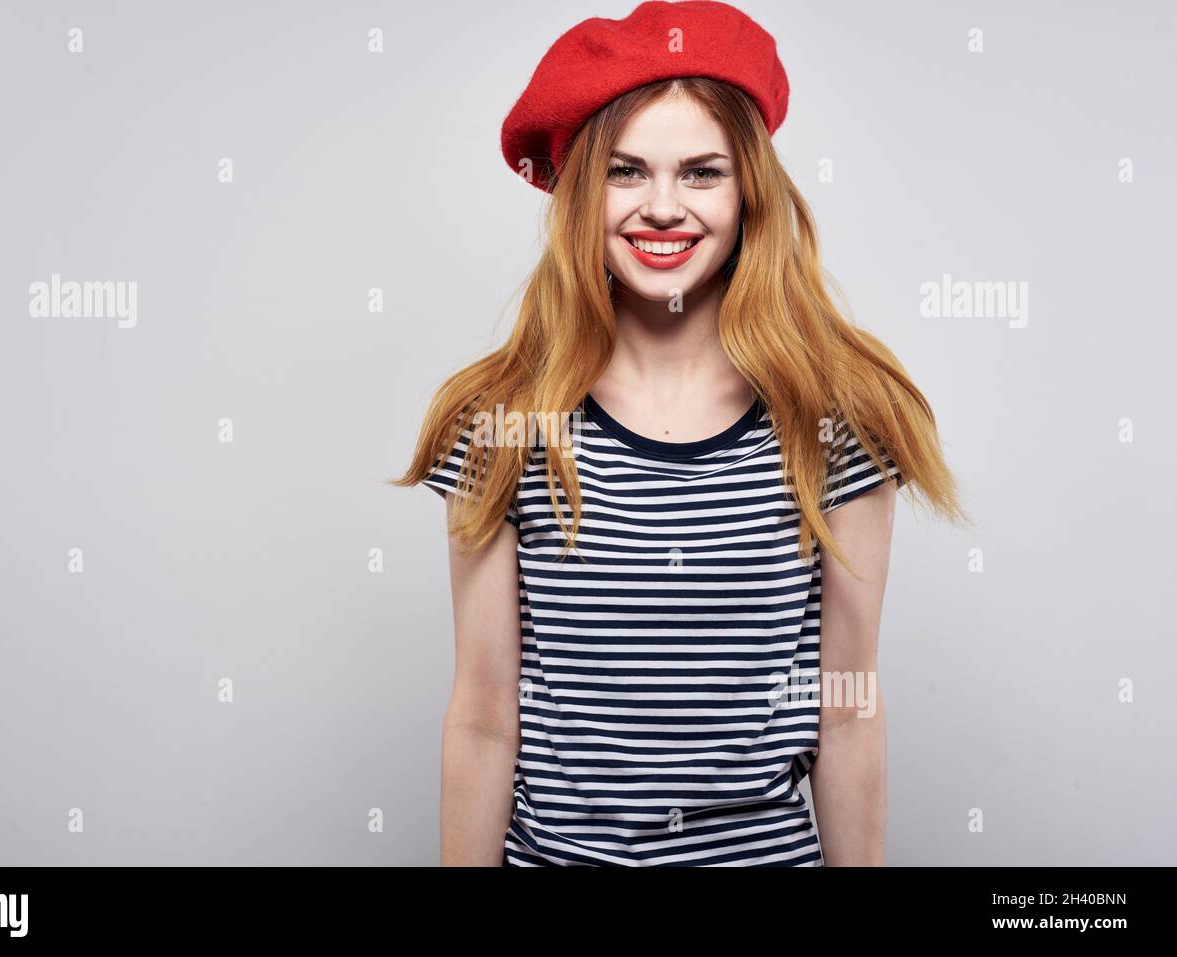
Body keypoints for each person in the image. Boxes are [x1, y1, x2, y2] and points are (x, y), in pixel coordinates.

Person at [395, 0, 968, 866]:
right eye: (627, 171)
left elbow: (846, 715)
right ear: (584, 192)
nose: (662, 208)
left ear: (749, 193)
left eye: (701, 172)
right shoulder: (501, 426)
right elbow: (481, 719)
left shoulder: (840, 421)